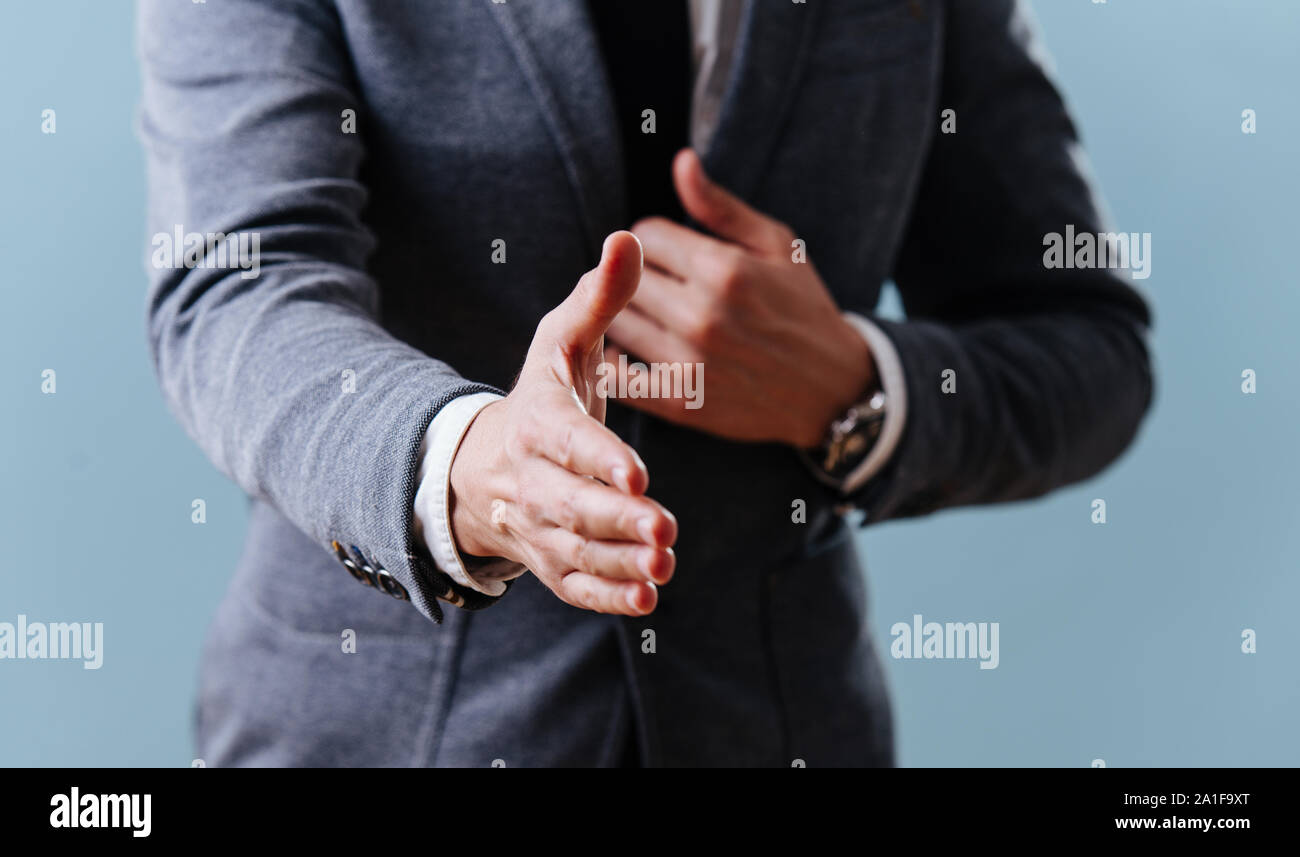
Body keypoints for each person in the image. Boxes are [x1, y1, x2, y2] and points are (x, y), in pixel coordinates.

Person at [139, 0, 1153, 766]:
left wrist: (851, 385)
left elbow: (1088, 343)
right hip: (371, 727)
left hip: (785, 724)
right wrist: (472, 461)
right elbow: (239, 286)